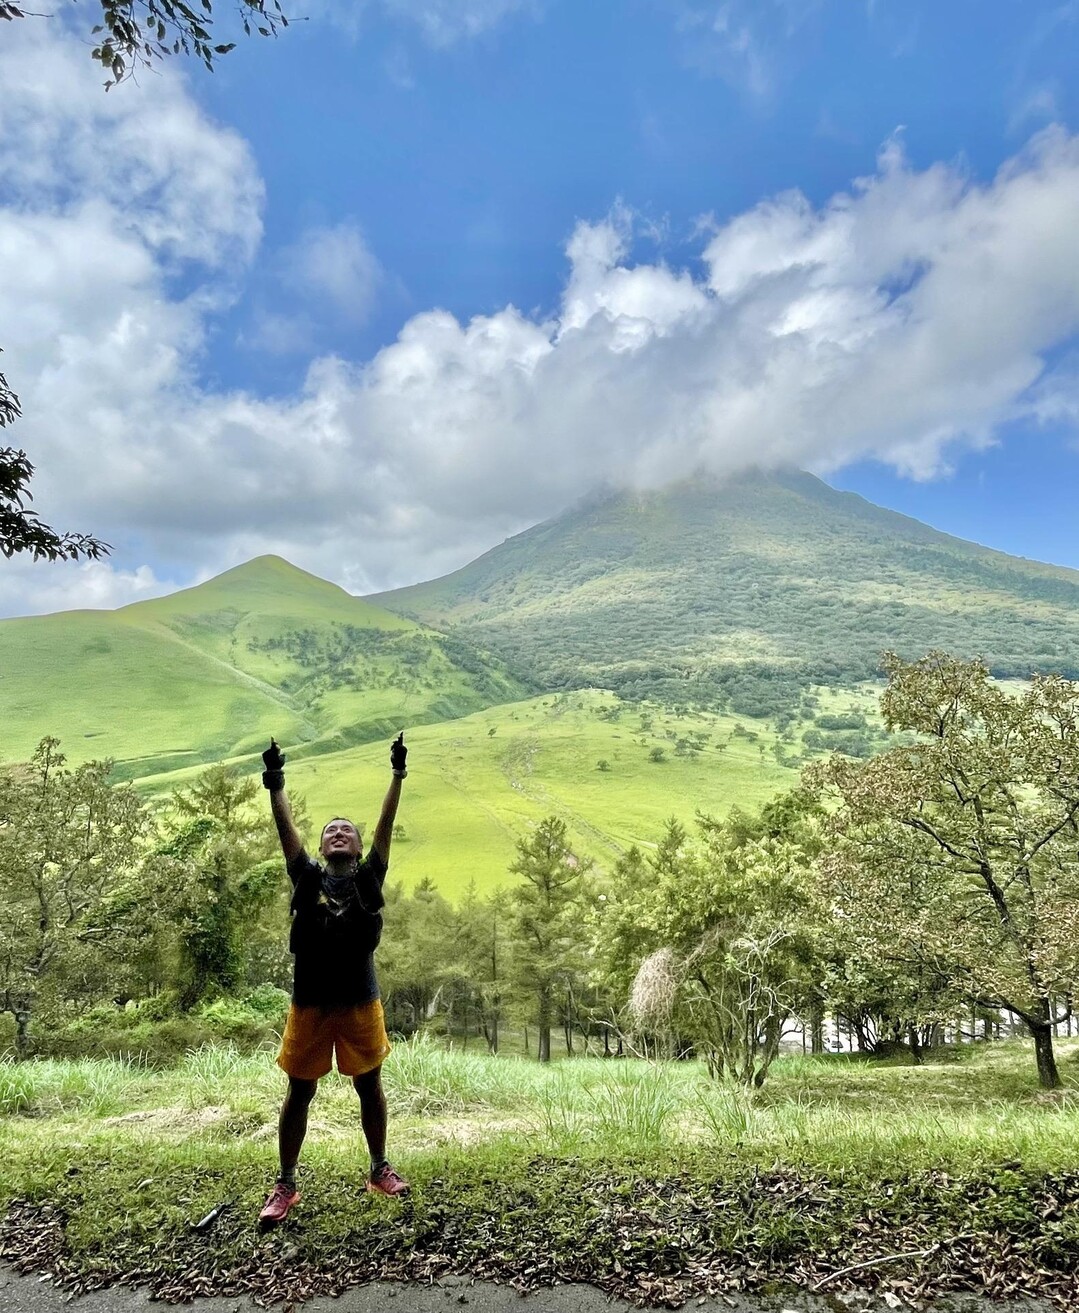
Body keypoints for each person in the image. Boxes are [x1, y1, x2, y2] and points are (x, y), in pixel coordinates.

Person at [258, 732, 410, 1226]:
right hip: (310, 1006)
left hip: (361, 1004)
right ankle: (285, 1184)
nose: (339, 832)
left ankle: (379, 1169)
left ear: (360, 846)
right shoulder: (306, 877)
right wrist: (276, 782)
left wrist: (397, 776)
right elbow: (286, 832)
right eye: (331, 830)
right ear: (322, 847)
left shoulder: (368, 879)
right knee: (299, 1092)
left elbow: (387, 825)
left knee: (370, 1087)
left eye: (348, 829)